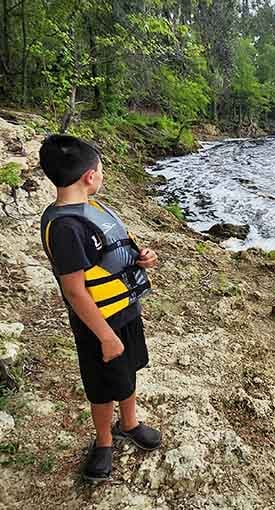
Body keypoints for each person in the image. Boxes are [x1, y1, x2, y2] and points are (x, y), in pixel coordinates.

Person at [38, 134, 161, 482]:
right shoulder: (65, 227)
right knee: (102, 384)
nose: (102, 176)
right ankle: (104, 441)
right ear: (89, 176)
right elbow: (75, 291)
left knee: (129, 369)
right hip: (97, 324)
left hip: (126, 309)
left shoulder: (94, 209)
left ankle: (130, 423)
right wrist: (105, 336)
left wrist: (143, 258)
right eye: (101, 171)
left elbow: (115, 251)